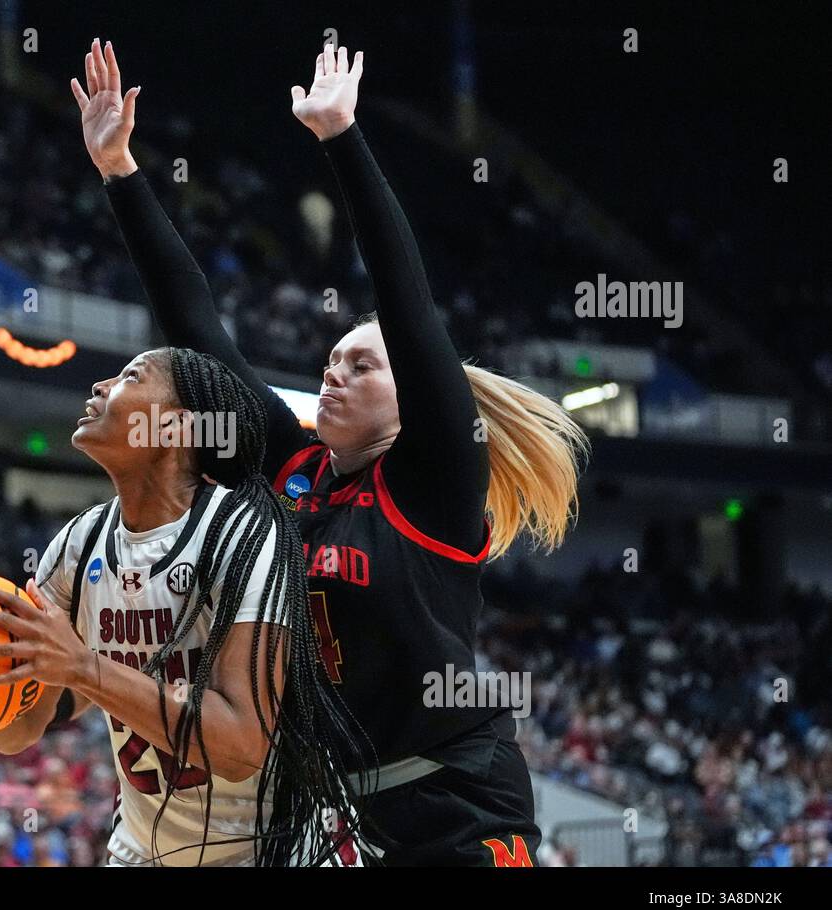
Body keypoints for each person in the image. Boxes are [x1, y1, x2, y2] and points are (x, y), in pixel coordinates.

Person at [73, 39, 587, 866]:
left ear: (412, 391)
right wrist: (120, 170)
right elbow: (199, 335)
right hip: (332, 811)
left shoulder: (432, 483)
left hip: (454, 803)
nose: (335, 371)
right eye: (334, 359)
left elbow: (408, 303)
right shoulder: (296, 472)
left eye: (363, 363)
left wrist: (341, 138)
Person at [0, 348, 366, 865]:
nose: (99, 386)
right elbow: (23, 728)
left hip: (269, 850)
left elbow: (241, 745)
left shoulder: (243, 531)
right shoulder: (79, 544)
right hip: (144, 851)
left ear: (176, 426)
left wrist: (85, 667)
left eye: (130, 377)